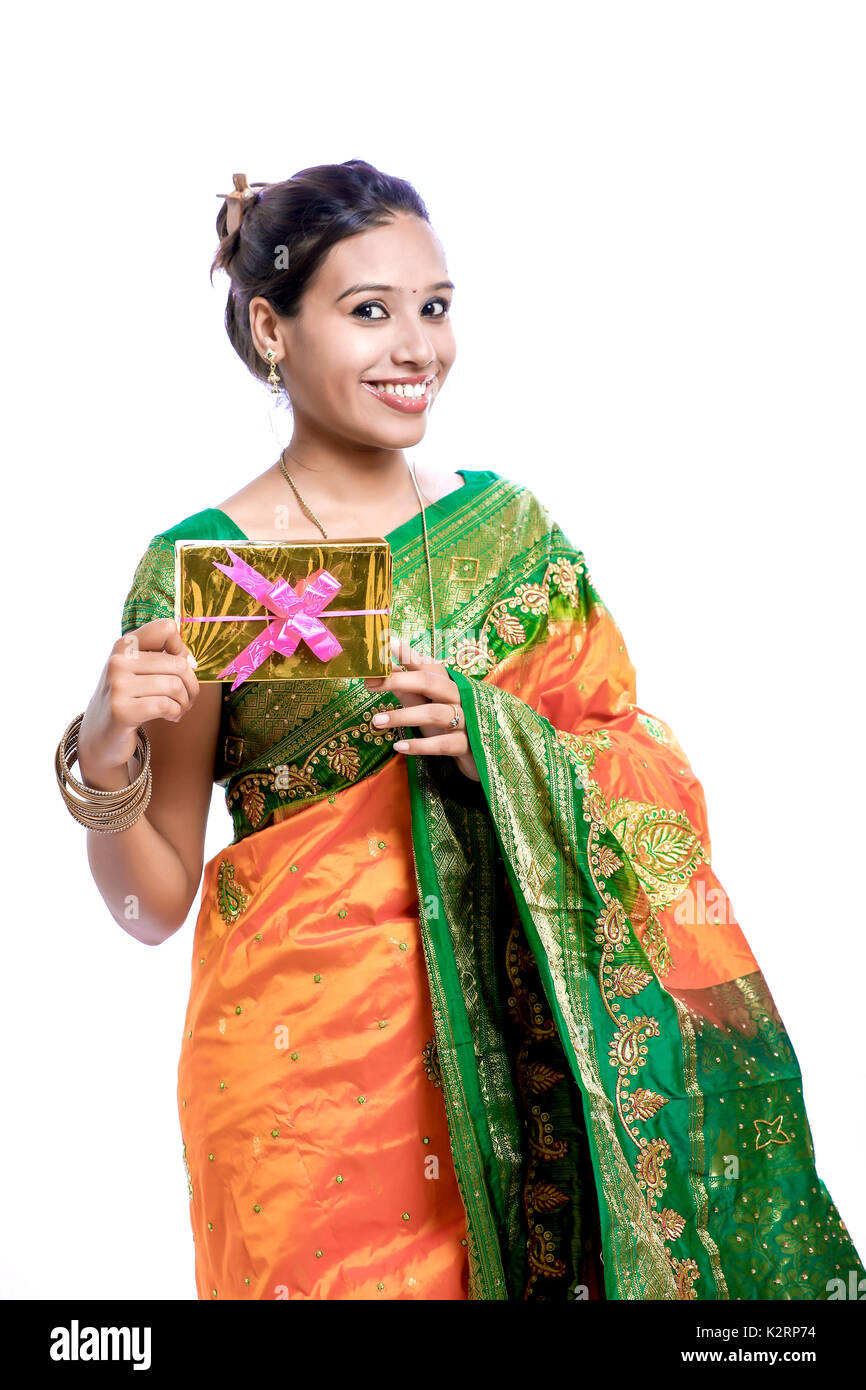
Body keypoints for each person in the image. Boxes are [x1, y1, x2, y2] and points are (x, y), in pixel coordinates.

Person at [56, 159, 864, 1301]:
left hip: (523, 1074)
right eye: (367, 311)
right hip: (301, 1093)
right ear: (269, 328)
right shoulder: (210, 569)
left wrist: (499, 740)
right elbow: (149, 905)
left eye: (433, 308)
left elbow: (651, 782)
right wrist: (103, 758)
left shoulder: (508, 533)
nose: (415, 349)